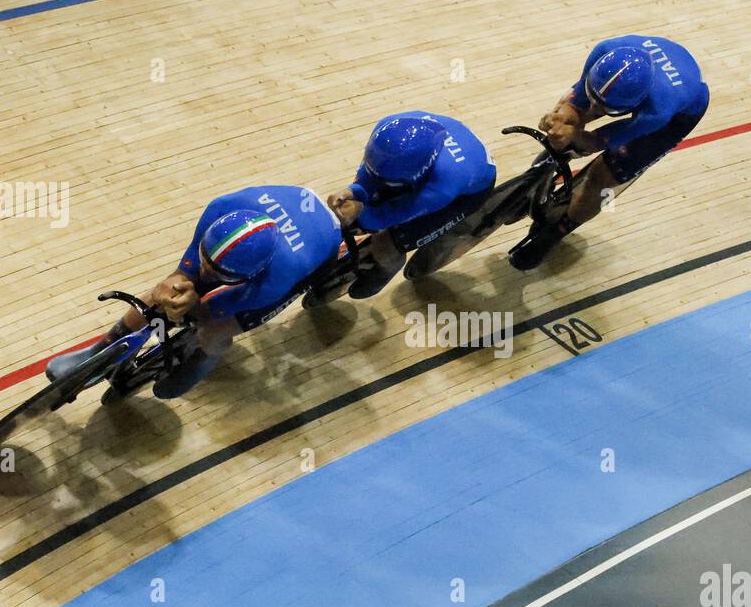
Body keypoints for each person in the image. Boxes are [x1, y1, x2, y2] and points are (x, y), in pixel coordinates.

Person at [45, 184, 344, 398]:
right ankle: (99, 351)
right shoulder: (221, 208)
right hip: (288, 201)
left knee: (216, 329)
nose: (206, 275)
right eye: (205, 261)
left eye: (219, 274)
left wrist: (197, 313)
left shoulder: (276, 277)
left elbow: (214, 312)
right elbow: (182, 276)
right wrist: (174, 291)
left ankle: (201, 363)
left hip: (318, 251)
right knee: (164, 294)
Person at [510, 34, 710, 270]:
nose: (595, 108)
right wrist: (560, 121)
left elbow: (595, 141)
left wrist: (575, 135)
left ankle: (558, 231)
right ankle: (535, 181)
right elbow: (576, 105)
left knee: (602, 178)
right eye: (593, 98)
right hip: (630, 81)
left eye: (605, 109)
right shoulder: (604, 50)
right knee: (565, 121)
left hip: (680, 113)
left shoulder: (657, 112)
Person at [321, 111, 496, 300]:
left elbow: (389, 216)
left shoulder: (444, 183)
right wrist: (353, 191)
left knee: (387, 242)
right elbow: (369, 174)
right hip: (432, 165)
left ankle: (386, 270)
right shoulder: (386, 126)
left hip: (469, 193)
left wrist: (361, 211)